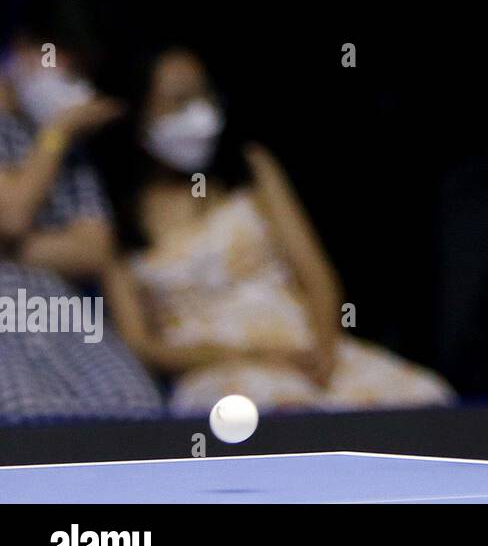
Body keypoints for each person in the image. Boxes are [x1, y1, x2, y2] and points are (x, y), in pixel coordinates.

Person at [101, 46, 456, 414]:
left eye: (203, 95)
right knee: (286, 413)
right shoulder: (111, 208)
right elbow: (140, 344)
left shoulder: (250, 168)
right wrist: (251, 356)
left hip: (305, 347)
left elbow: (316, 275)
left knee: (426, 399)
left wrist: (323, 351)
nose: (199, 115)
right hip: (217, 370)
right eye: (177, 102)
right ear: (136, 113)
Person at [0, 28, 163, 422]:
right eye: (65, 64)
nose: (73, 83)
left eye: (81, 74)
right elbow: (12, 217)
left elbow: (93, 253)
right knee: (27, 415)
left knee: (137, 408)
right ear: (22, 47)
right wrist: (58, 132)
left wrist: (7, 247)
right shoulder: (59, 134)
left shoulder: (68, 149)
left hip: (62, 312)